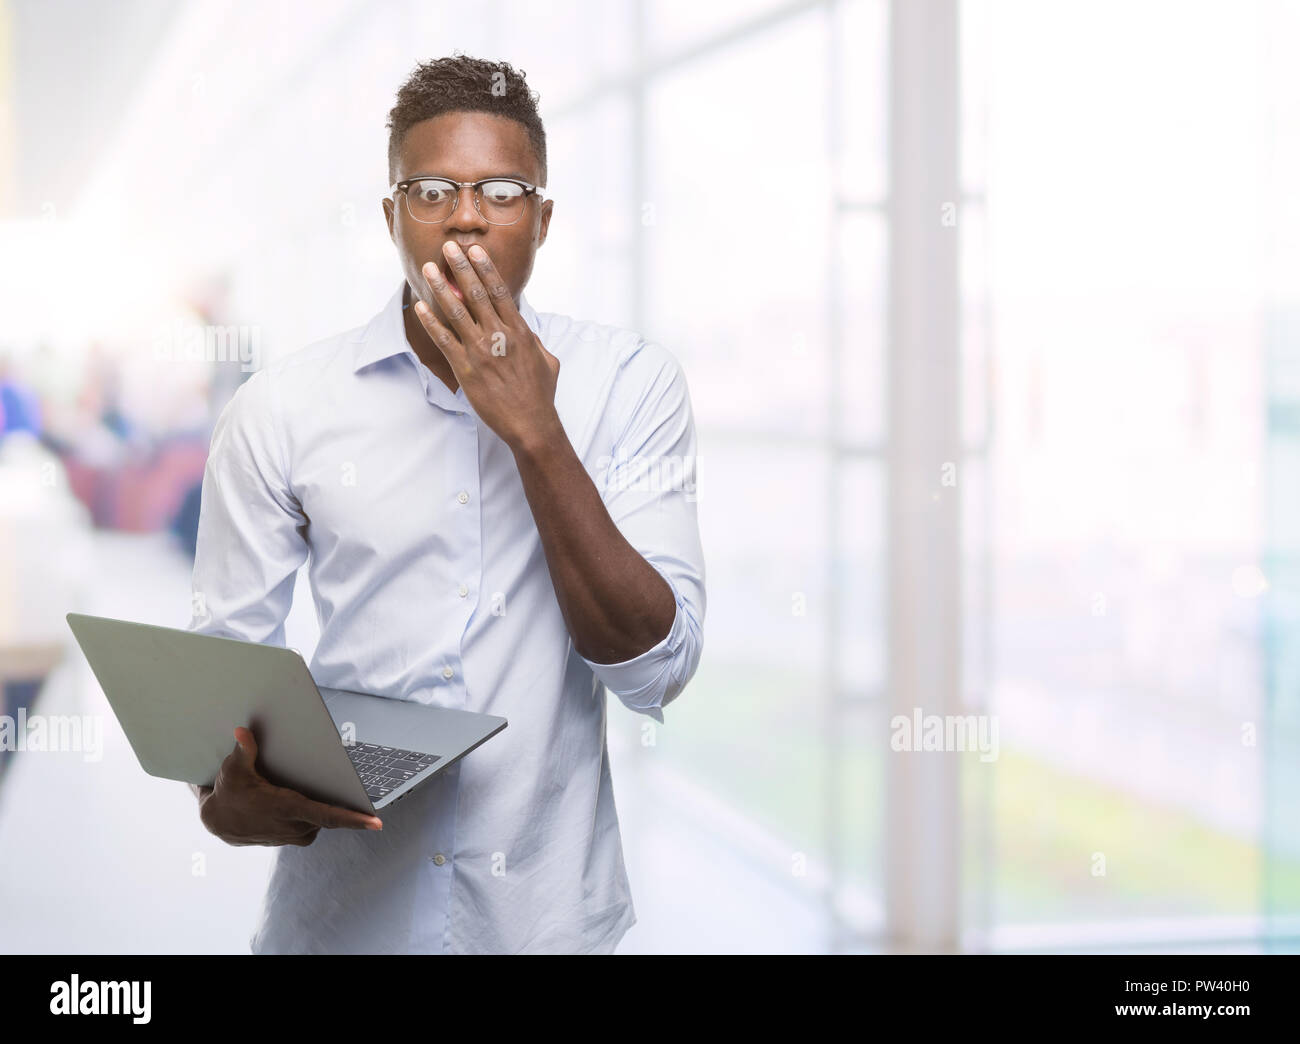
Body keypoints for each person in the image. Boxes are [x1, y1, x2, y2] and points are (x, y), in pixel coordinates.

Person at [185, 55, 705, 954]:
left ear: (541, 219)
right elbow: (220, 711)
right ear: (393, 216)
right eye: (431, 189)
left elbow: (654, 667)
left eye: (502, 191)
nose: (466, 216)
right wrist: (224, 795)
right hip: (341, 923)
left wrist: (536, 433)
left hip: (542, 926)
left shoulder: (631, 385)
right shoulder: (281, 410)